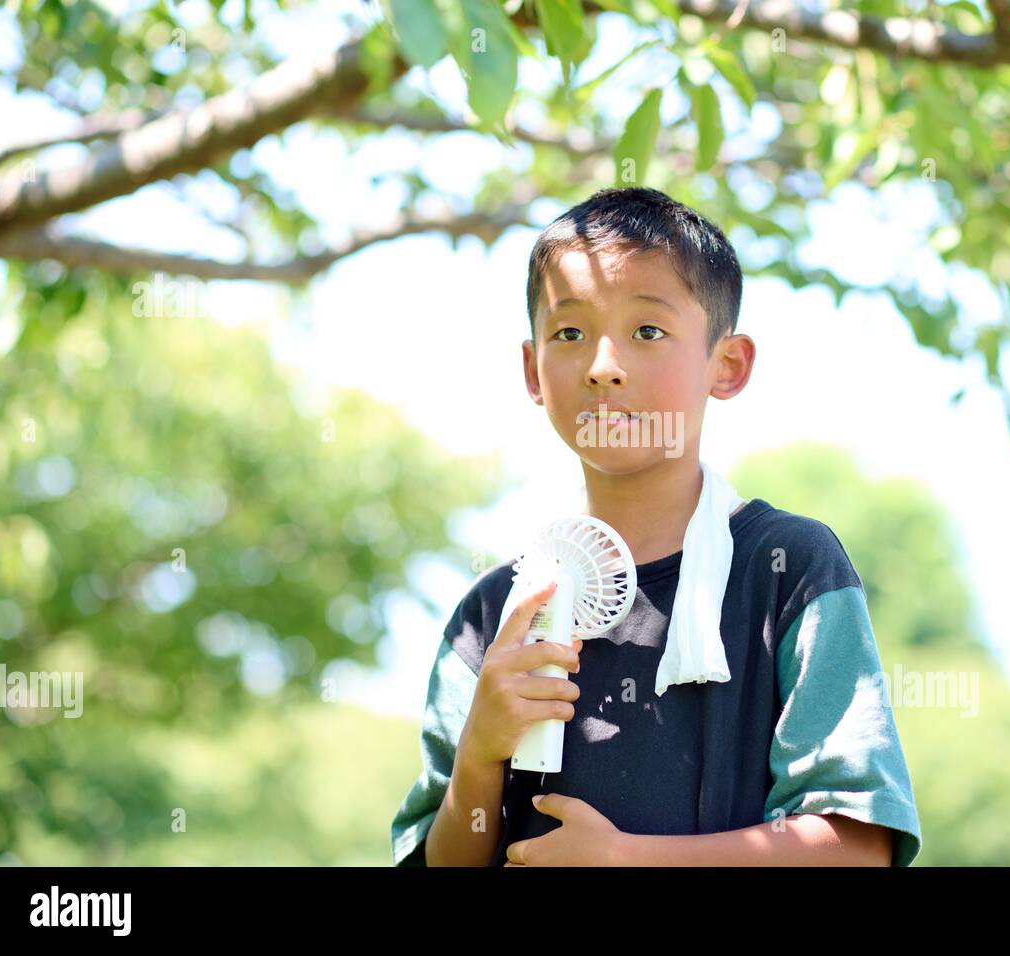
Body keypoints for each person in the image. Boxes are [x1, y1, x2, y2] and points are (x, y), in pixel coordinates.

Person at [390, 186, 922, 866]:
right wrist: (479, 752)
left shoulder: (785, 568)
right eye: (569, 333)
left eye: (647, 331)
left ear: (727, 366)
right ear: (532, 370)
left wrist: (626, 858)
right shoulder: (495, 611)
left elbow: (854, 848)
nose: (604, 369)